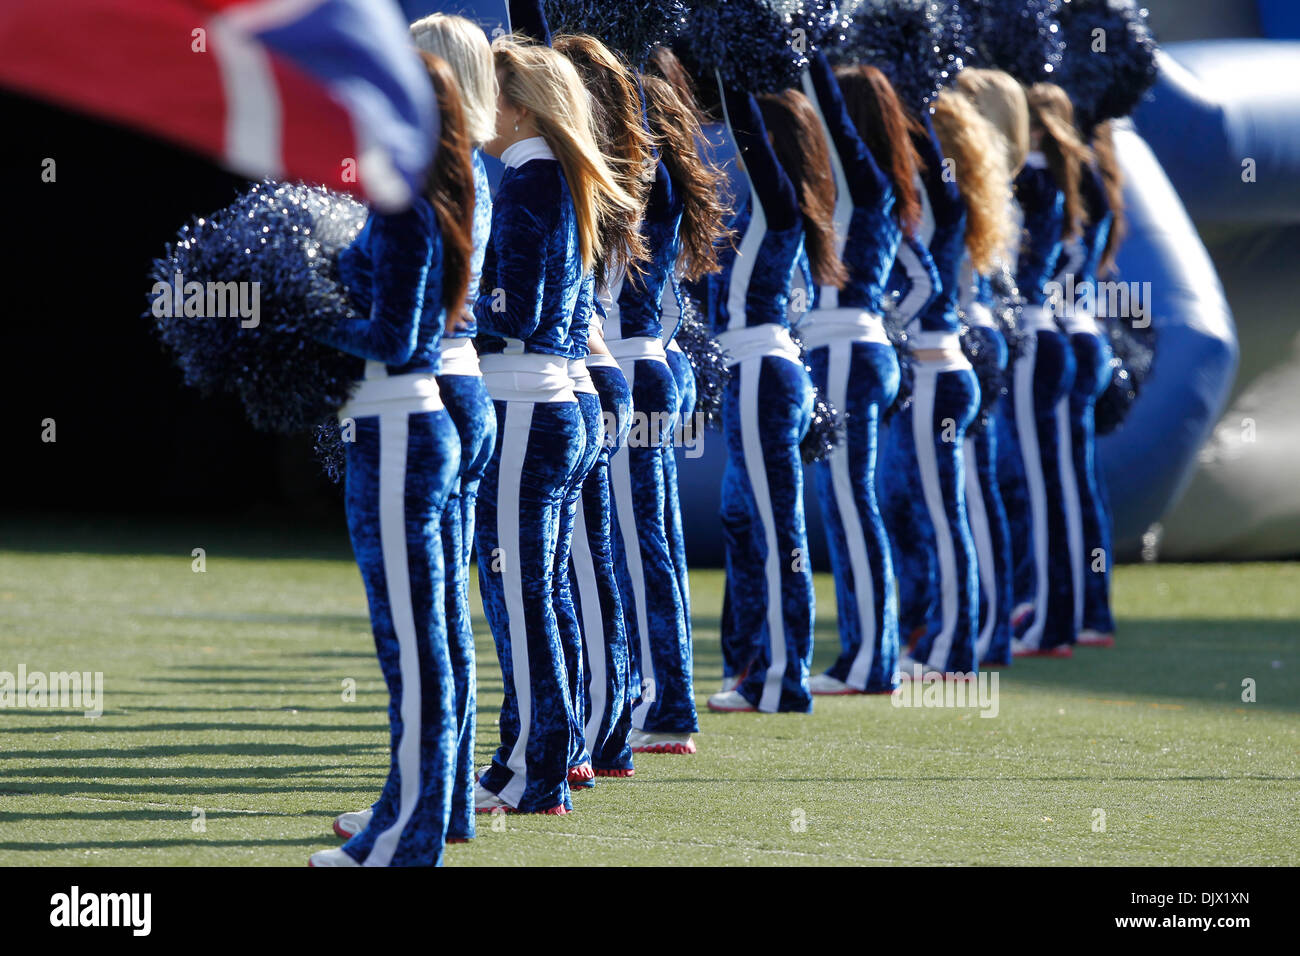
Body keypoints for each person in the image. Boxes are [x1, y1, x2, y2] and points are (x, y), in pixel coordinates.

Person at [332, 11, 498, 849]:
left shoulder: (417, 198)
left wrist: (300, 317)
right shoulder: (455, 181)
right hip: (427, 413)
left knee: (417, 640)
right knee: (432, 630)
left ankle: (411, 829)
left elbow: (399, 338)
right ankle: (429, 810)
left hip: (409, 419)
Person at [472, 35, 640, 814]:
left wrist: (439, 314)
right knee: (537, 593)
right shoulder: (545, 175)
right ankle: (540, 757)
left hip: (526, 406)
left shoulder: (531, 179)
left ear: (513, 106)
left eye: (485, 92)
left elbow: (520, 311)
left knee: (521, 597)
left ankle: (537, 775)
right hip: (550, 404)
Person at [600, 66, 729, 755]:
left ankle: (661, 701)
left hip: (632, 366)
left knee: (636, 540)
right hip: (655, 362)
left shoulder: (641, 172)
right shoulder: (663, 173)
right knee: (652, 537)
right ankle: (660, 695)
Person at [705, 83, 844, 714]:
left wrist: (728, 55)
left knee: (775, 528)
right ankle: (756, 666)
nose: (739, 151)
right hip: (761, 372)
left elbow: (750, 137)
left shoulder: (779, 203)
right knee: (749, 523)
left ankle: (784, 677)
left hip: (764, 373)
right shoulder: (785, 208)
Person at [798, 56, 915, 695]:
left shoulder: (861, 181)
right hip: (849, 350)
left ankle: (874, 659)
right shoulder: (862, 188)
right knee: (844, 504)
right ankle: (865, 652)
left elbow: (834, 122)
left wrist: (804, 38)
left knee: (850, 502)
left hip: (847, 351)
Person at [550, 31, 648, 781]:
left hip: (582, 372)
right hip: (600, 372)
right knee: (594, 565)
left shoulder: (574, 168)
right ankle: (604, 730)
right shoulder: (607, 165)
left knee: (580, 568)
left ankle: (585, 735)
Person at [890, 89, 1013, 678]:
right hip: (955, 361)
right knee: (957, 506)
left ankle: (952, 647)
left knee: (947, 513)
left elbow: (922, 282)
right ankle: (967, 635)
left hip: (940, 365)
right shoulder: (960, 194)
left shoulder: (940, 200)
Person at [1006, 82, 1093, 658]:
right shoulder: (1059, 176)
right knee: (1057, 485)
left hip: (1037, 337)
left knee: (1041, 489)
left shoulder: (1029, 178)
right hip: (1053, 333)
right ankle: (1063, 612)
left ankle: (1052, 620)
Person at [951, 67, 1030, 668]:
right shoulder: (996, 176)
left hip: (968, 335)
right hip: (982, 336)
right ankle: (986, 627)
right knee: (978, 490)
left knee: (971, 493)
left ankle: (979, 633)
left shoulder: (979, 174)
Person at [1064, 119, 1125, 648]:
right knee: (1075, 479)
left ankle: (1063, 607)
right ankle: (1087, 606)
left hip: (1065, 338)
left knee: (1051, 484)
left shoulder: (1059, 181)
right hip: (1084, 338)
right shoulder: (1091, 179)